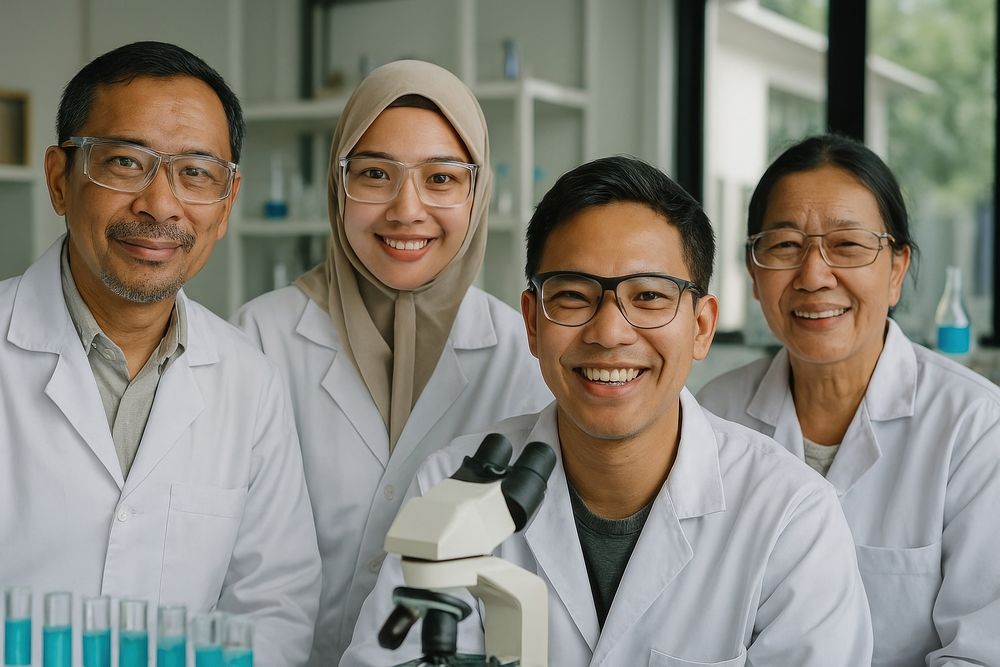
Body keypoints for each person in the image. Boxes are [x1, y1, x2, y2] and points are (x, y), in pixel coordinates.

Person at [341, 156, 873, 665]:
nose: (610, 332)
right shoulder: (455, 488)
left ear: (702, 326)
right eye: (573, 296)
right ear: (531, 322)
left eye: (649, 297)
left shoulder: (790, 518)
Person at [0, 42, 321, 664]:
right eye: (125, 162)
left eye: (196, 172)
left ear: (226, 205)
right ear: (59, 179)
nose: (160, 204)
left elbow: (273, 605)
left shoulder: (247, 381)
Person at [233, 60, 551, 665]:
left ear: (477, 192)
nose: (407, 209)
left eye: (442, 178)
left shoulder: (522, 354)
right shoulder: (260, 338)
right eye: (375, 174)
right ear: (336, 183)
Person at [698, 134, 1000, 666]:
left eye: (848, 245)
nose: (813, 276)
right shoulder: (714, 413)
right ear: (753, 272)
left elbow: (980, 653)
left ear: (897, 270)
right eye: (785, 246)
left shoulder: (975, 428)